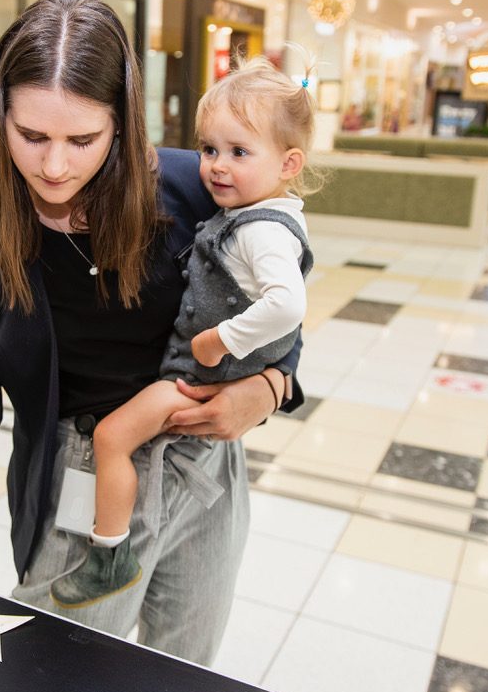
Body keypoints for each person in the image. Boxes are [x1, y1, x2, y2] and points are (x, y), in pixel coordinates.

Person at [0, 0, 303, 666]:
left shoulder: (193, 192)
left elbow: (280, 296)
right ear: (0, 119)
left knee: (185, 681)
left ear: (123, 122)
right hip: (79, 479)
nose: (54, 167)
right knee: (57, 681)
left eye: (82, 139)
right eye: (31, 136)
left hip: (204, 469)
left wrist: (274, 386)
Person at [48, 56, 316, 608]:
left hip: (196, 381)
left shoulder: (258, 228)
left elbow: (288, 307)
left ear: (289, 163)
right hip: (204, 387)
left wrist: (233, 351)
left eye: (239, 152)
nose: (216, 166)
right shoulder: (252, 206)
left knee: (111, 438)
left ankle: (108, 554)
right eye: (210, 148)